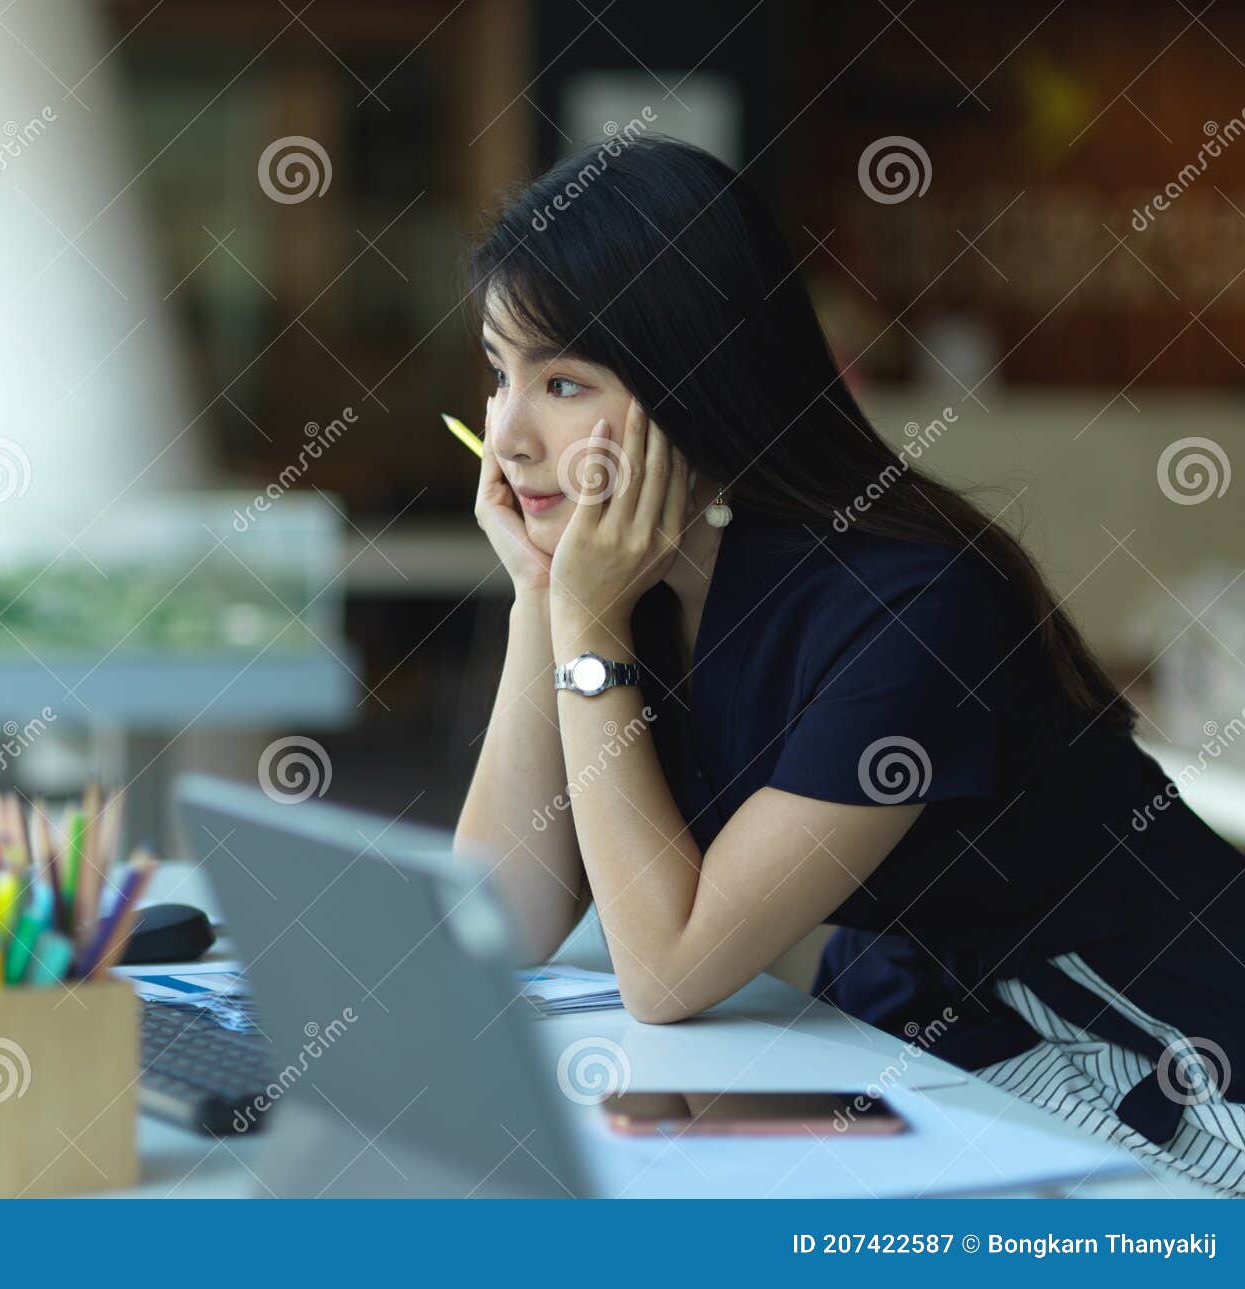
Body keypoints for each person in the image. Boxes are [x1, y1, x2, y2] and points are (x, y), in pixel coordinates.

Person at [452, 134, 1245, 1195]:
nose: (508, 434)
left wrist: (586, 630)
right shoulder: (634, 587)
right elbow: (496, 917)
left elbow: (666, 967)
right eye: (497, 373)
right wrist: (541, 599)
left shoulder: (914, 603)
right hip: (923, 1021)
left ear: (695, 382)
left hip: (1147, 1041)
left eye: (559, 381)